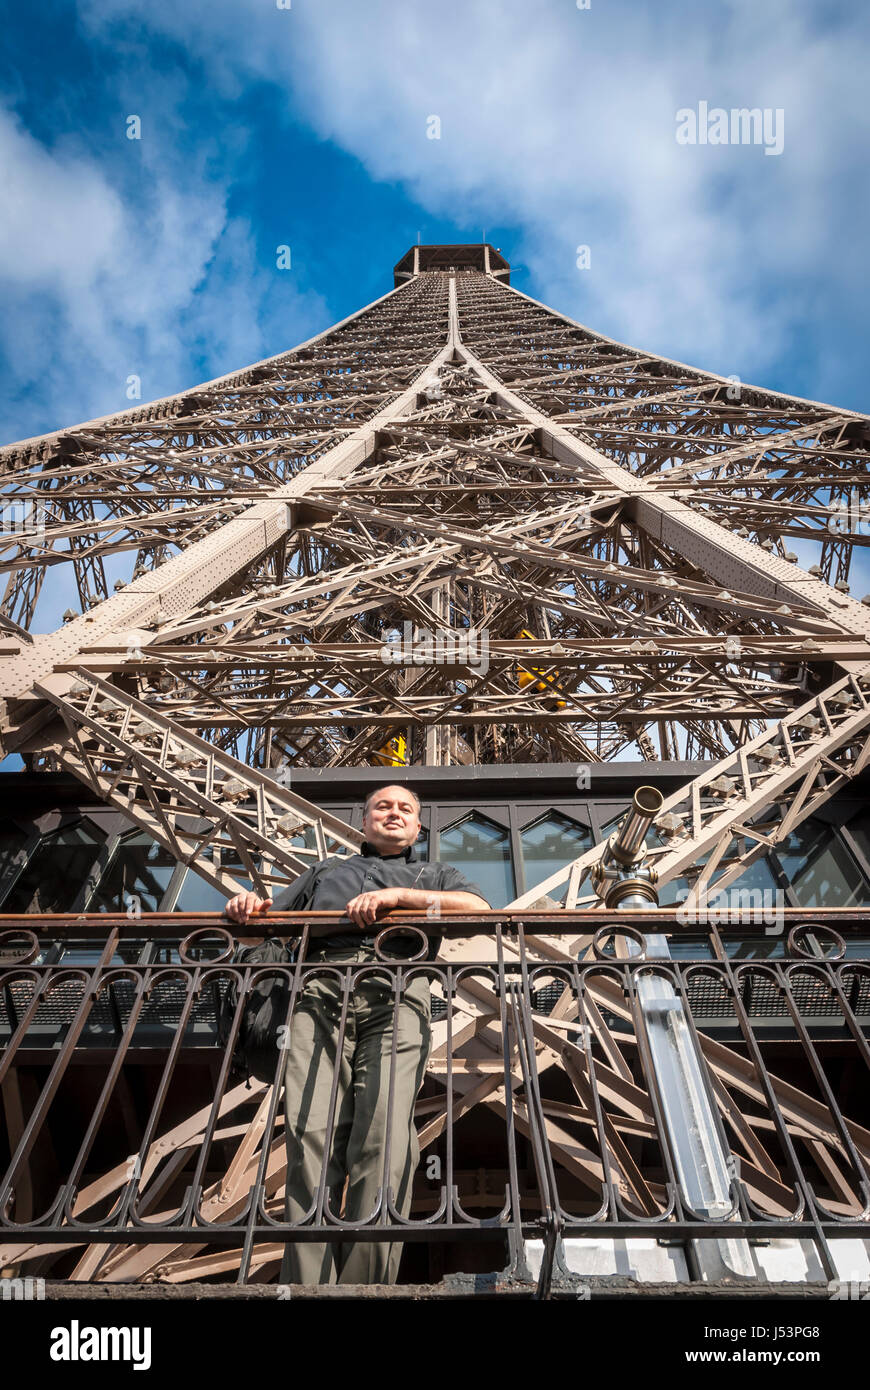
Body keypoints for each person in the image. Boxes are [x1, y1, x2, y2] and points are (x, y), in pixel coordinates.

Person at [224, 783, 490, 1285]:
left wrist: (399, 897)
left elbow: (478, 910)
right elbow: (268, 926)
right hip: (320, 994)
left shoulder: (435, 874)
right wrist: (245, 908)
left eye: (405, 808)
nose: (393, 813)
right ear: (364, 820)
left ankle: (364, 1288)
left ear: (417, 826)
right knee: (310, 1137)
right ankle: (307, 1287)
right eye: (382, 806)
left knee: (385, 1139)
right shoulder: (325, 871)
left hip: (398, 994)